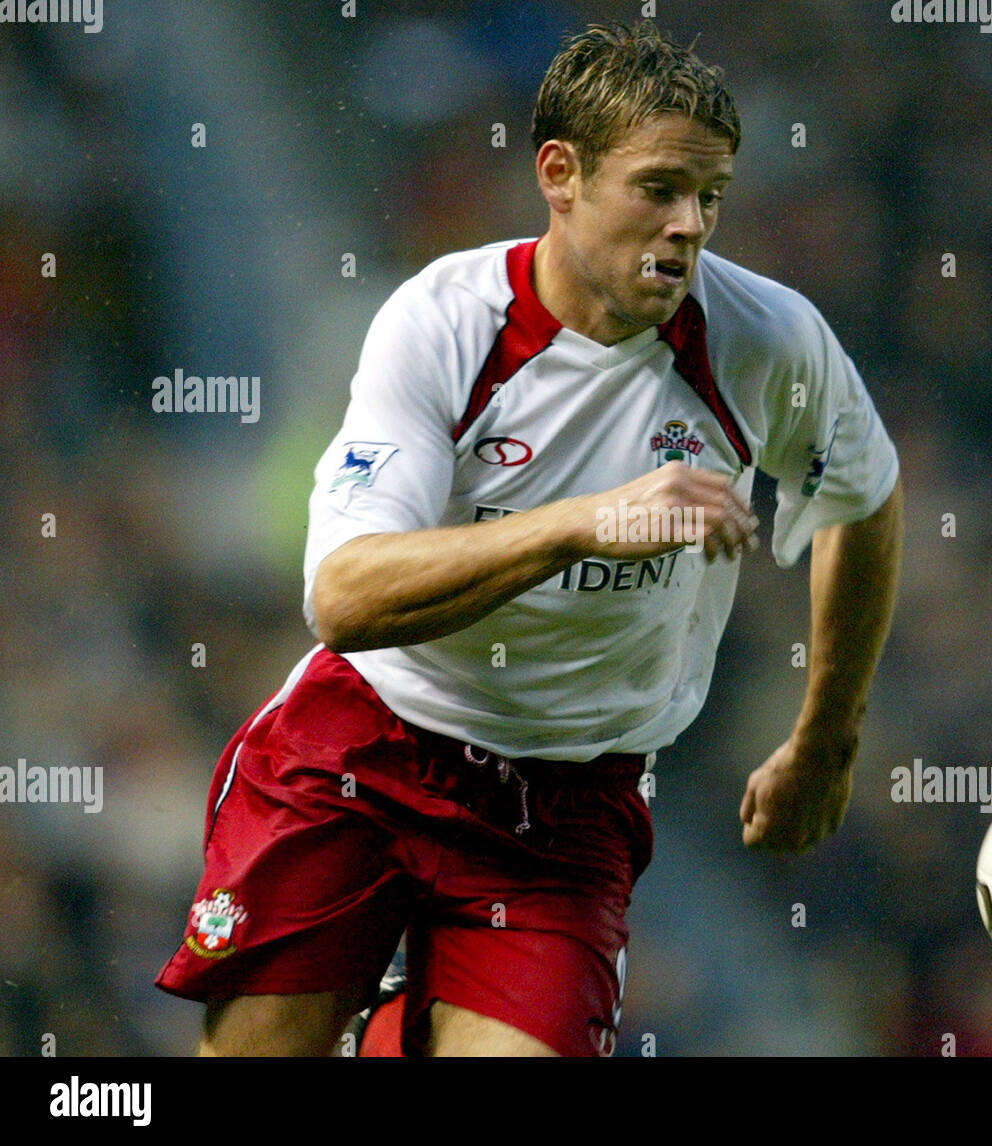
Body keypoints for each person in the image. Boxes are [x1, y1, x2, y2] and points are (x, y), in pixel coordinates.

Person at [156, 19, 903, 1058]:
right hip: (366, 753)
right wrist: (582, 523)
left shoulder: (766, 342)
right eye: (657, 188)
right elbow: (345, 598)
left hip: (563, 812)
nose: (689, 225)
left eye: (710, 195)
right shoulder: (443, 324)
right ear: (561, 174)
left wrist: (827, 741)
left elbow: (864, 501)